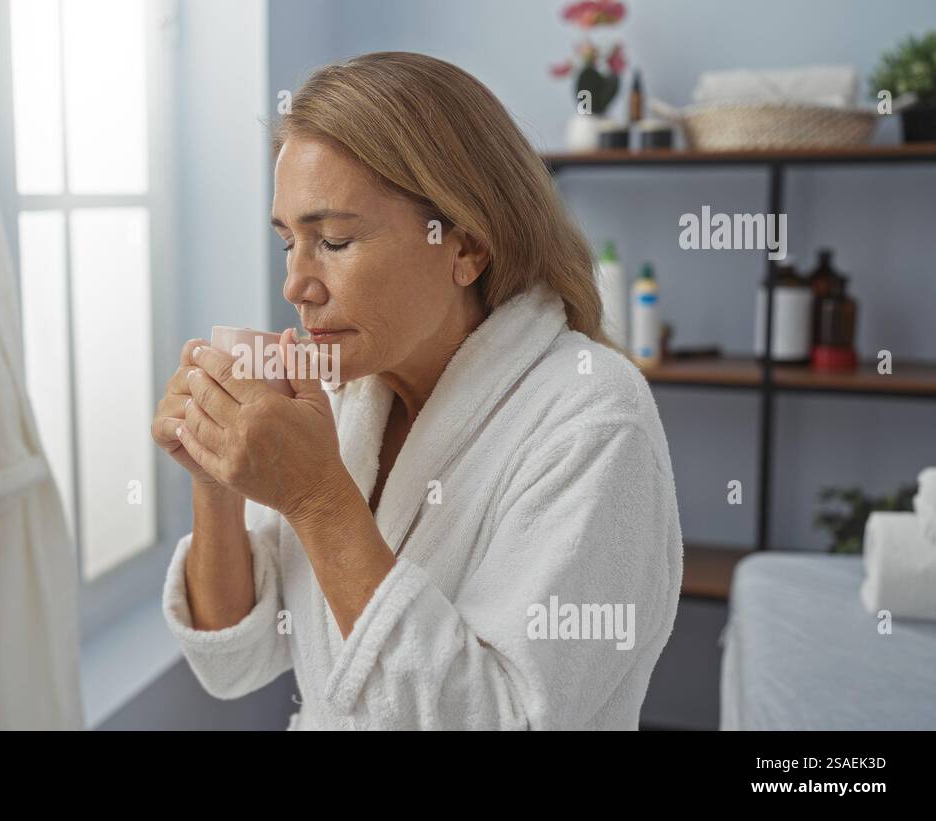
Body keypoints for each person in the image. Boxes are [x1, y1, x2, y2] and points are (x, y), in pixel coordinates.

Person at [150, 52, 682, 730]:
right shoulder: (341, 393)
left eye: (335, 240)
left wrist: (319, 498)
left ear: (466, 246)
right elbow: (236, 659)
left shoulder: (593, 420)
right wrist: (217, 479)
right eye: (289, 242)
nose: (296, 284)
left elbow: (502, 720)